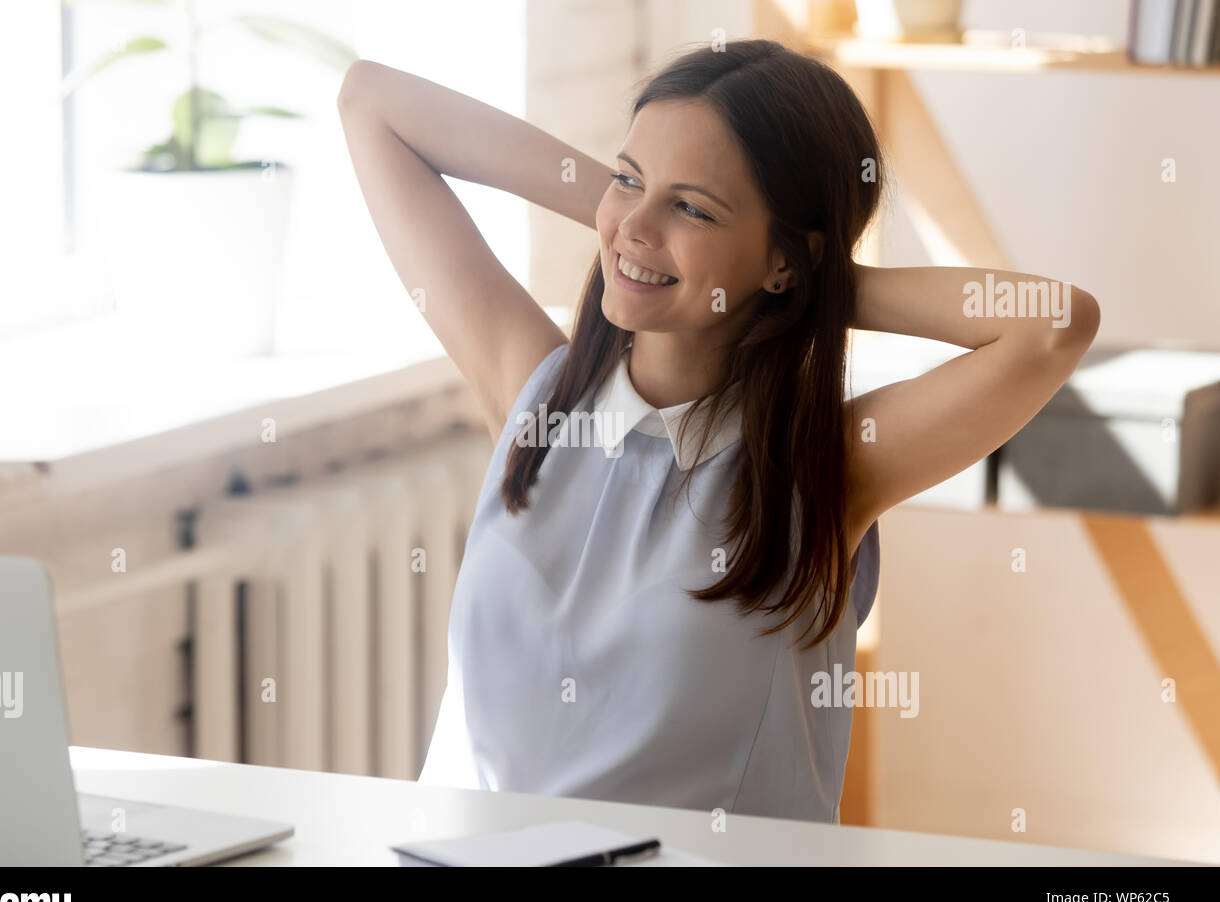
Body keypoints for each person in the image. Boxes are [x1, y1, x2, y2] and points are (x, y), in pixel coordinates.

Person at [336, 39, 1099, 823]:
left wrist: (816, 279)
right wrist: (640, 219)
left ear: (785, 260)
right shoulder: (538, 396)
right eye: (627, 178)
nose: (635, 224)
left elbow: (1053, 325)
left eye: (693, 206)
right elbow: (372, 102)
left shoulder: (825, 468)